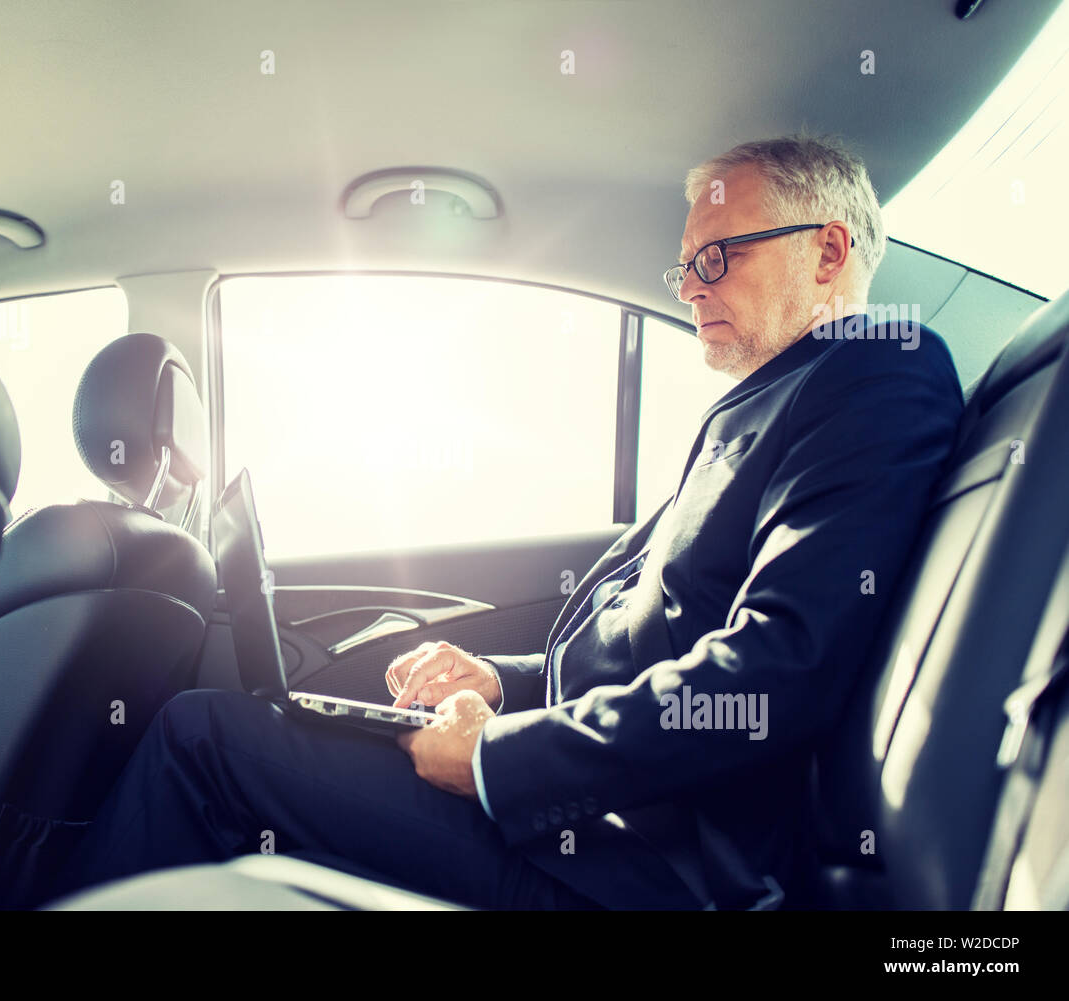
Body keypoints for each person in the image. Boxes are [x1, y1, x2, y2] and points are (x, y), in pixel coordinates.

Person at [48, 134, 964, 910]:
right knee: (241, 725)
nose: (691, 288)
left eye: (718, 258)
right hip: (609, 815)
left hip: (666, 866)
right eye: (685, 265)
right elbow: (638, 649)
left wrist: (498, 761)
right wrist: (499, 678)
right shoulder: (772, 400)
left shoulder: (875, 376)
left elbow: (774, 674)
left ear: (830, 253)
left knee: (201, 738)